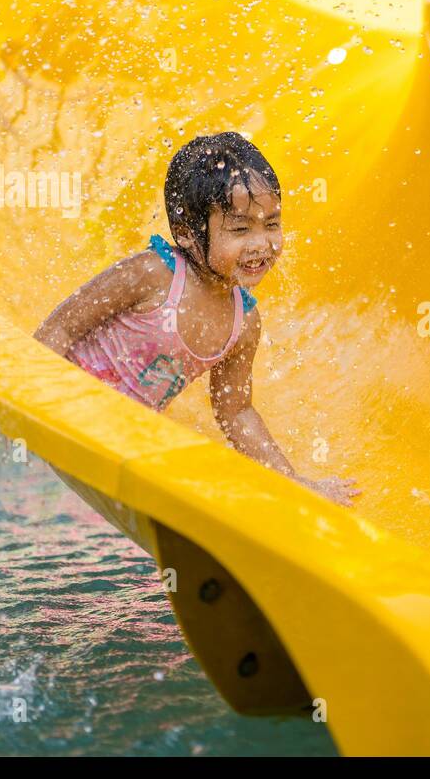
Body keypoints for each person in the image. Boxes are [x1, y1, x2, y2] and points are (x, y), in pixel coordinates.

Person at [35, 131, 360, 508]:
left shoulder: (244, 321)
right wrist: (32, 399)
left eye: (271, 224)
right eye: (240, 229)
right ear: (188, 233)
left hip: (120, 442)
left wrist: (292, 483)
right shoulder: (153, 275)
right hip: (65, 412)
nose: (261, 244)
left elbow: (236, 412)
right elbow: (61, 327)